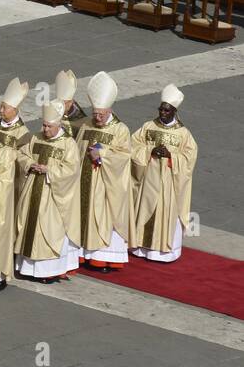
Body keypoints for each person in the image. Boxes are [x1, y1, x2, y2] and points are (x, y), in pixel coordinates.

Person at [14, 101, 82, 283]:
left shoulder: (68, 144)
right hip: (33, 190)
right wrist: (29, 164)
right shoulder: (36, 138)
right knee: (30, 225)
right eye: (43, 125)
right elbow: (22, 155)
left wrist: (49, 171)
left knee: (49, 231)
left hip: (53, 195)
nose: (45, 129)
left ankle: (48, 271)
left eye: (49, 126)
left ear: (58, 125)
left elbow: (72, 170)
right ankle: (27, 268)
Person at [130, 85, 198, 263]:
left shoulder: (183, 134)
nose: (162, 113)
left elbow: (189, 159)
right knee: (144, 208)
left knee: (165, 211)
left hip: (168, 182)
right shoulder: (148, 126)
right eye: (161, 109)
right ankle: (140, 247)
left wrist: (171, 156)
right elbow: (133, 145)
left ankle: (164, 252)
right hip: (148, 179)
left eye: (166, 110)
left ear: (174, 111)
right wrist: (150, 150)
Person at [75, 72, 133, 273]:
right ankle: (83, 254)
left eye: (101, 114)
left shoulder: (121, 130)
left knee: (104, 217)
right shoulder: (87, 125)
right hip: (84, 179)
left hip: (105, 184)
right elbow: (77, 148)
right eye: (95, 113)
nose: (97, 118)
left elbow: (124, 156)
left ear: (110, 110)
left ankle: (104, 257)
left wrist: (102, 154)